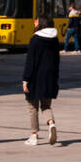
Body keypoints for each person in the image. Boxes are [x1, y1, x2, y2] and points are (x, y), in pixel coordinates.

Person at [22, 14, 61, 145]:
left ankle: (33, 136)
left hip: (35, 77)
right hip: (50, 77)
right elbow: (57, 61)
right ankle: (51, 124)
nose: (34, 22)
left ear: (41, 23)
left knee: (32, 106)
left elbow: (30, 62)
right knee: (46, 105)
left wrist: (25, 79)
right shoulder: (55, 40)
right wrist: (55, 78)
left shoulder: (35, 39)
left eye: (36, 21)